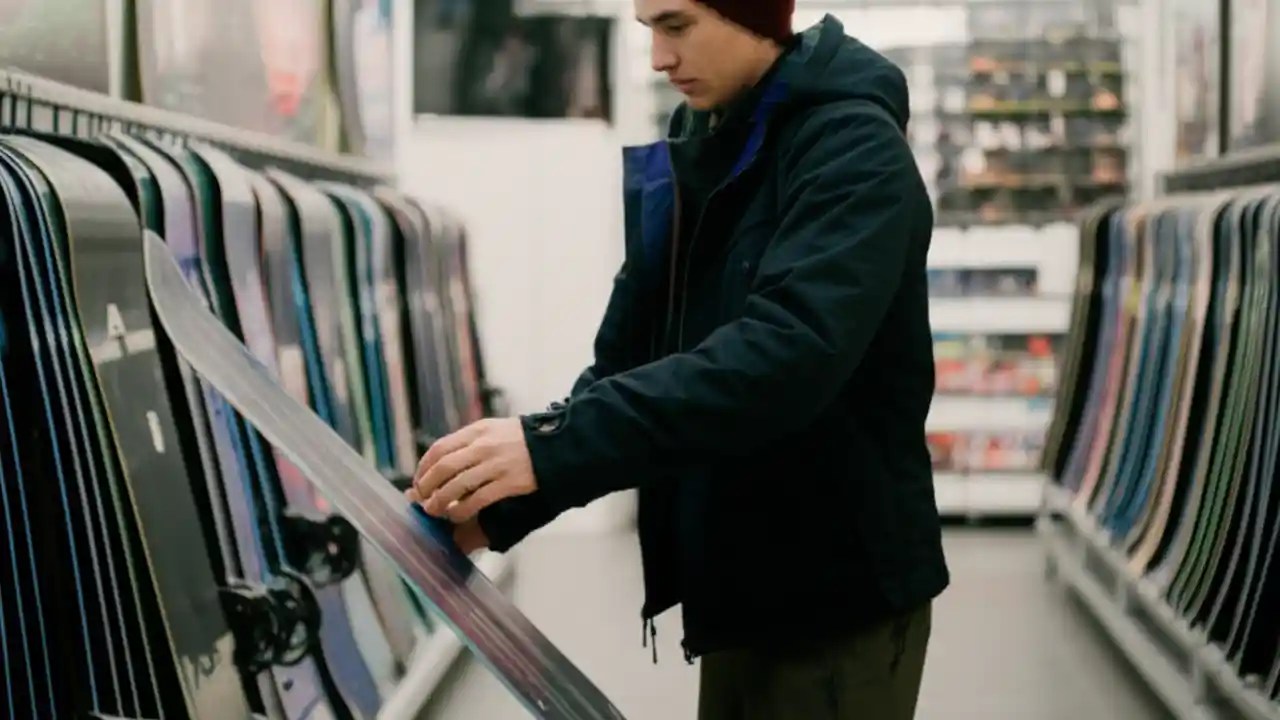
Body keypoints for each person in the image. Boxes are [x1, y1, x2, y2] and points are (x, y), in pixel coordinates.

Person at [407, 1, 949, 717]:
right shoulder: (709, 133)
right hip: (740, 578)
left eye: (677, 25)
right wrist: (507, 503)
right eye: (650, 30)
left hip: (834, 591)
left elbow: (784, 359)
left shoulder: (853, 147)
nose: (659, 58)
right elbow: (636, 351)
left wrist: (552, 447)